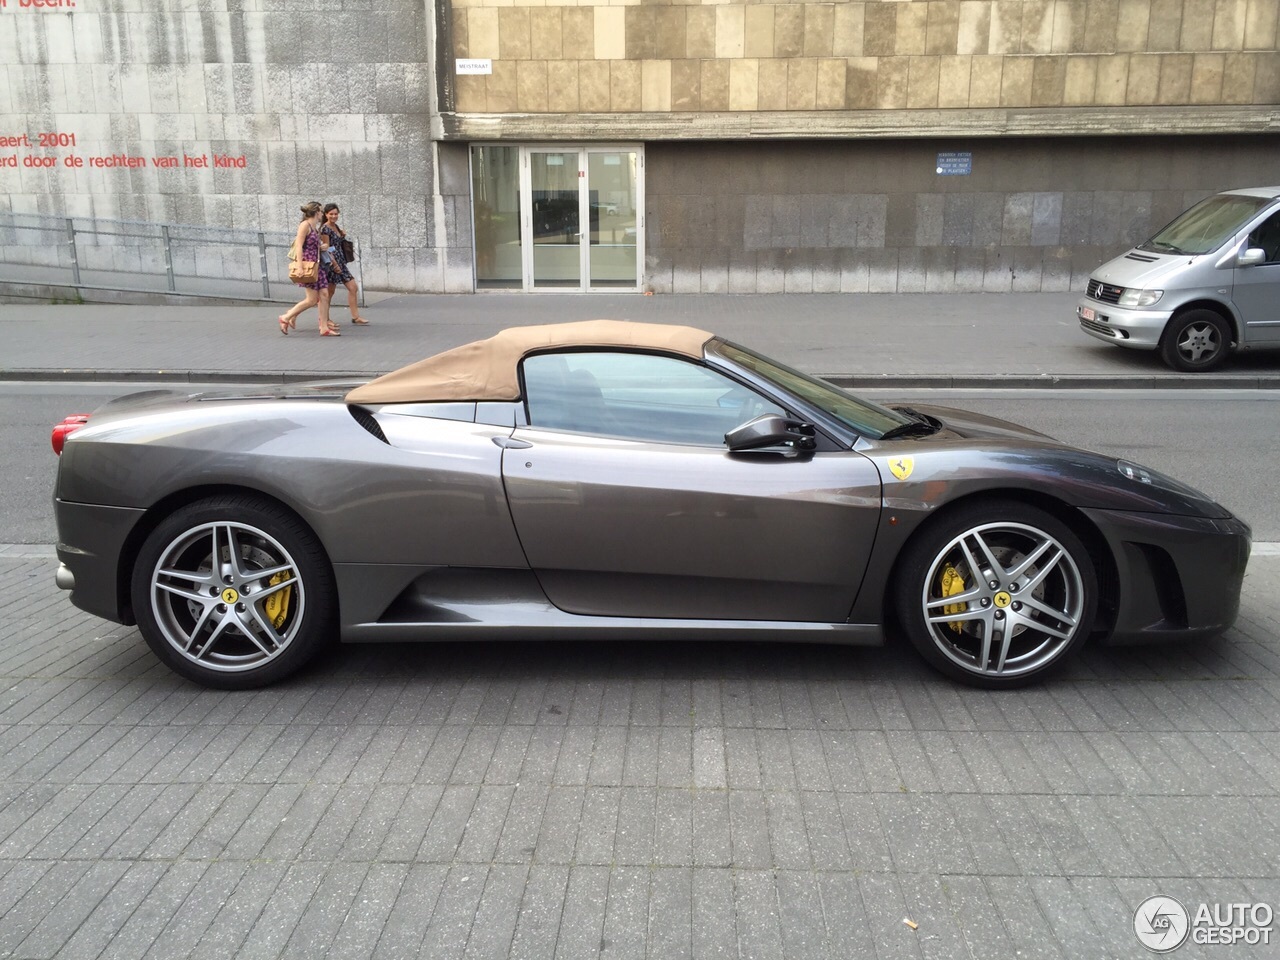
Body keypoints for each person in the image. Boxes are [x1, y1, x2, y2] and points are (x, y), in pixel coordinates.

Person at [279, 201, 339, 336]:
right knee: (311, 299)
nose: (322, 214)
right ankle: (286, 317)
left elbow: (312, 245)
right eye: (321, 211)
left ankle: (324, 327)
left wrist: (322, 247)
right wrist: (300, 266)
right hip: (308, 265)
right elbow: (299, 246)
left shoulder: (314, 227)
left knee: (324, 295)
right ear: (316, 212)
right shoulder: (305, 225)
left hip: (318, 264)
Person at [320, 203, 367, 324]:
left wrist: (342, 236)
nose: (334, 216)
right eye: (331, 214)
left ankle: (355, 317)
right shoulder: (325, 229)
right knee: (329, 292)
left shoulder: (335, 226)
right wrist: (334, 264)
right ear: (326, 214)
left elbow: (336, 244)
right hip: (333, 263)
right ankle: (325, 318)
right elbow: (327, 247)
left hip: (341, 262)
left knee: (353, 287)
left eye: (336, 214)